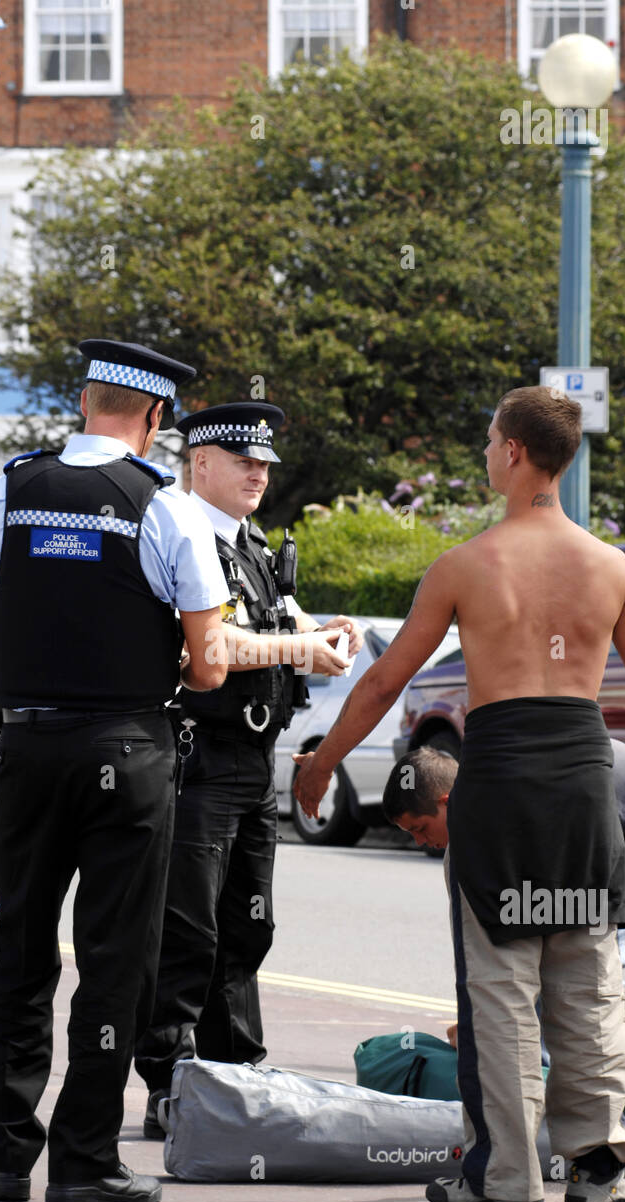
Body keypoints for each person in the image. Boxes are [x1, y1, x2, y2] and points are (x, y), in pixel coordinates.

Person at [294, 385, 625, 1202]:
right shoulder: (610, 566)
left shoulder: (465, 566)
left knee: (501, 986)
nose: (484, 453)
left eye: (488, 441)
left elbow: (385, 681)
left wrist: (321, 763)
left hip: (501, 784)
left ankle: (505, 1176)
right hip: (582, 787)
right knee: (587, 980)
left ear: (514, 451)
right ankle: (598, 1169)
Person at [0, 340, 229, 1202]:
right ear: (156, 417)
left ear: (82, 401)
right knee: (114, 958)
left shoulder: (11, 490)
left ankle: (1, 1157)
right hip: (128, 754)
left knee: (22, 948)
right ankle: (83, 1162)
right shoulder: (165, 505)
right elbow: (212, 663)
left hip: (27, 749)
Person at [134, 402, 363, 1137]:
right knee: (186, 931)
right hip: (198, 755)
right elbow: (209, 646)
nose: (259, 474)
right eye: (244, 461)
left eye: (264, 463)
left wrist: (324, 632)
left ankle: (236, 1074)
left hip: (254, 759)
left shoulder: (251, 542)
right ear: (200, 462)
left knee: (246, 927)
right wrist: (300, 649)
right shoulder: (179, 532)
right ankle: (172, 1082)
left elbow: (277, 617)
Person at [383, 740, 625, 970]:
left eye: (420, 828)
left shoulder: (509, 796)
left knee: (595, 960)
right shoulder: (488, 798)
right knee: (564, 954)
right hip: (611, 831)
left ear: (446, 801)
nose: (421, 842)